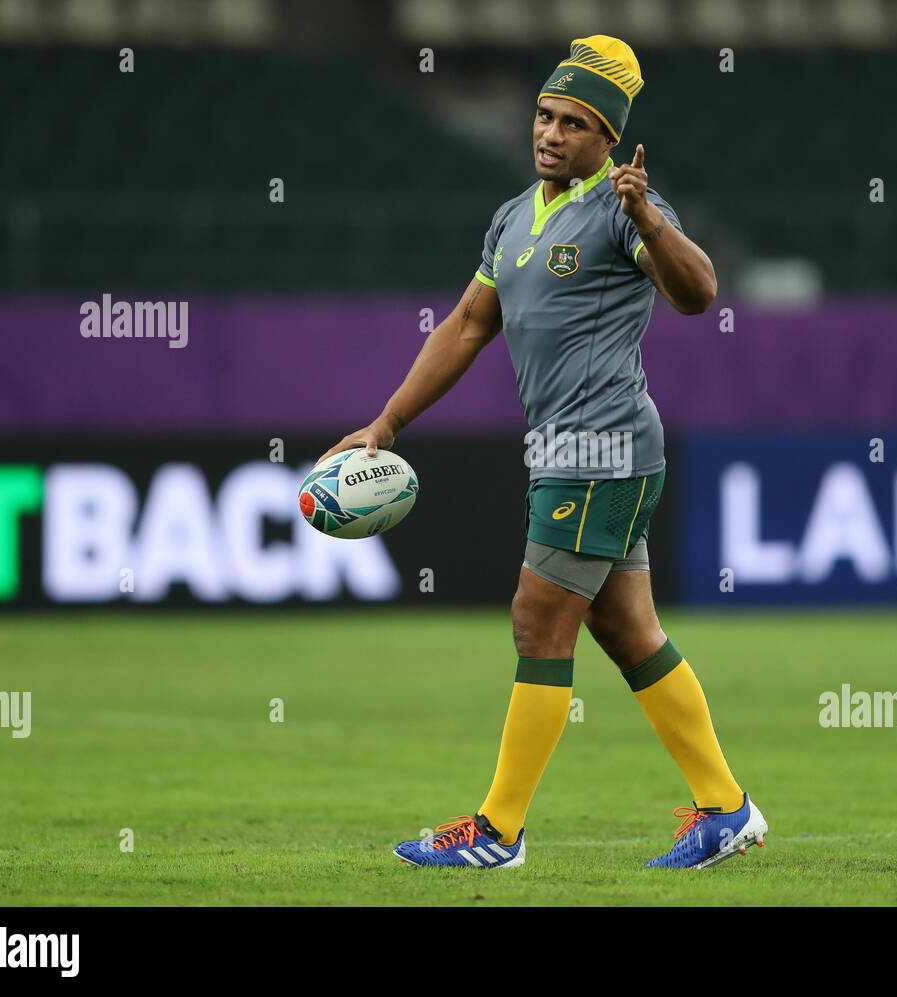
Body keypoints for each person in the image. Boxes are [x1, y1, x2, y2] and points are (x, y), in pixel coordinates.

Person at [319, 35, 765, 869]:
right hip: (564, 447)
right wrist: (386, 424)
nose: (551, 133)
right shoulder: (515, 215)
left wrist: (647, 216)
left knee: (536, 621)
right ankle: (725, 807)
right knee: (627, 628)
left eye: (573, 123)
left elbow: (700, 293)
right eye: (544, 114)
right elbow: (466, 326)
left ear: (607, 139)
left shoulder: (623, 206)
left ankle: (497, 830)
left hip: (603, 448)